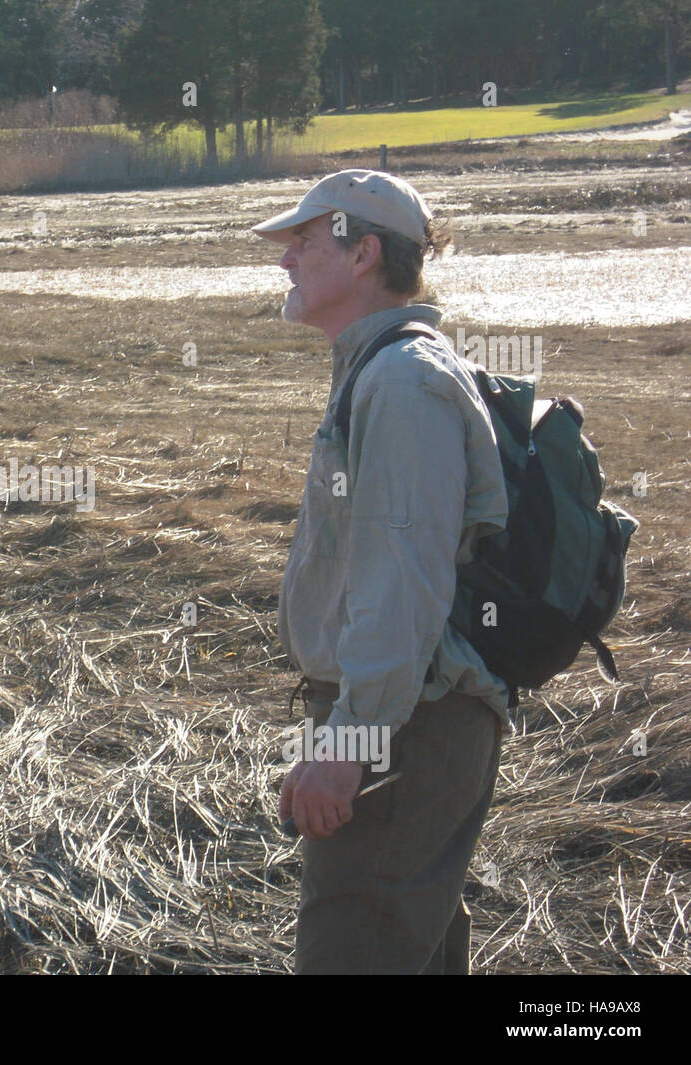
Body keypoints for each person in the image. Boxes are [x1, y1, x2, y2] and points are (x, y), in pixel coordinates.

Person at [254, 170, 511, 974]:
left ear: (364, 252)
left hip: (405, 729)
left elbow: (402, 587)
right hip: (404, 722)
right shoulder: (383, 370)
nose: (286, 258)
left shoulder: (403, 382)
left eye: (304, 239)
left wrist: (350, 740)